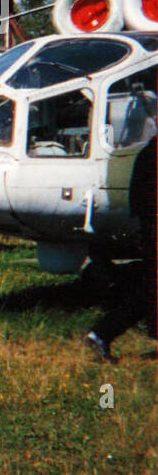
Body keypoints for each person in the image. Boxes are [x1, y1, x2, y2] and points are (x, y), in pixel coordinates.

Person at [84, 139, 156, 362]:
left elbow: (137, 202)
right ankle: (102, 333)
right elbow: (143, 201)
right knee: (151, 291)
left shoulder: (149, 151)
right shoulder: (153, 153)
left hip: (151, 227)